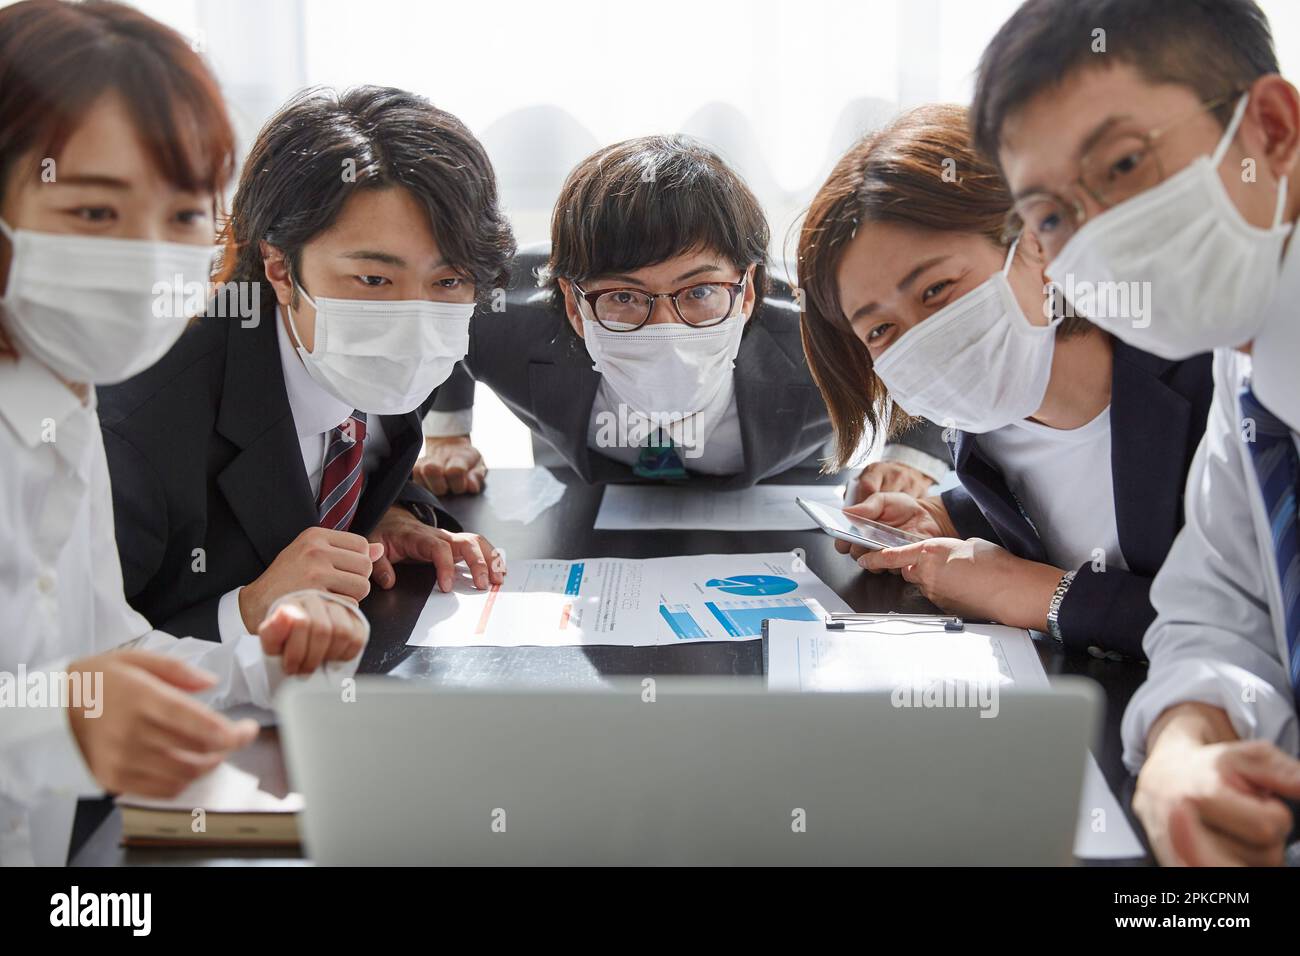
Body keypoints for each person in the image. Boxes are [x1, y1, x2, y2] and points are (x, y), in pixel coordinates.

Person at [0, 0, 366, 866]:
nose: (147, 257)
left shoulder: (60, 392)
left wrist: (273, 654)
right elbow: (66, 701)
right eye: (93, 214)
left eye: (183, 218)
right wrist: (58, 724)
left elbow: (106, 652)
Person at [972, 0, 1300, 865]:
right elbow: (1220, 611)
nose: (1092, 239)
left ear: (1269, 128)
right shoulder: (1252, 380)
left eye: (1121, 164)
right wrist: (1184, 746)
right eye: (1049, 216)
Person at [99, 85, 515, 647]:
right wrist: (248, 610)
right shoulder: (138, 424)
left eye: (447, 281)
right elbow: (66, 663)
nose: (413, 323)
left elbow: (360, 452)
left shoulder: (400, 345)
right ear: (278, 265)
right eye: (373, 280)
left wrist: (388, 516)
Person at [797, 103, 1212, 659]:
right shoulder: (985, 429)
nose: (924, 337)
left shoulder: (1215, 376)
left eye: (936, 289)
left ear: (1035, 238)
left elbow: (1259, 623)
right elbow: (1063, 509)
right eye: (880, 328)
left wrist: (1041, 596)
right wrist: (945, 515)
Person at [412, 135, 949, 496]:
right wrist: (447, 433)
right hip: (590, 500)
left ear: (748, 293)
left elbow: (927, 341)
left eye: (699, 292)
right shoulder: (501, 310)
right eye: (624, 297)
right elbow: (443, 318)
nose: (665, 328)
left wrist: (911, 460)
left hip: (782, 493)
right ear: (573, 304)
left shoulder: (824, 324)